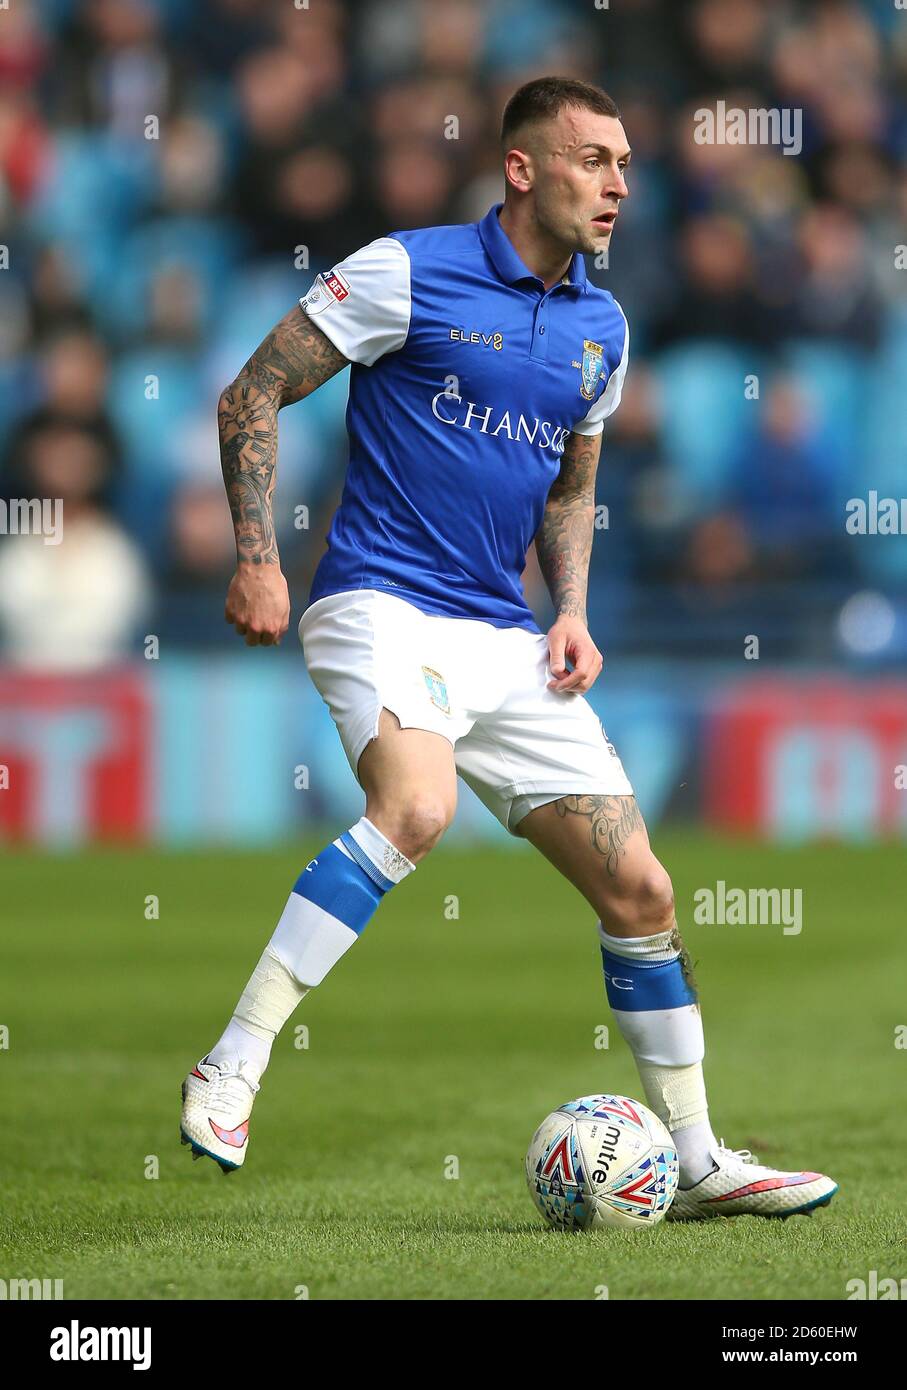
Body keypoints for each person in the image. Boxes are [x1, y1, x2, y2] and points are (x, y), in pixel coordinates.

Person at [181, 76, 836, 1220]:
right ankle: (232, 1063)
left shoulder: (603, 327)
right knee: (418, 808)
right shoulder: (406, 269)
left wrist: (570, 610)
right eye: (593, 160)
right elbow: (254, 390)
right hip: (379, 602)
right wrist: (255, 554)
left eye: (627, 163)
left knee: (640, 887)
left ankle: (694, 1159)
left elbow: (570, 488)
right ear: (523, 168)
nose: (620, 183)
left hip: (500, 629)